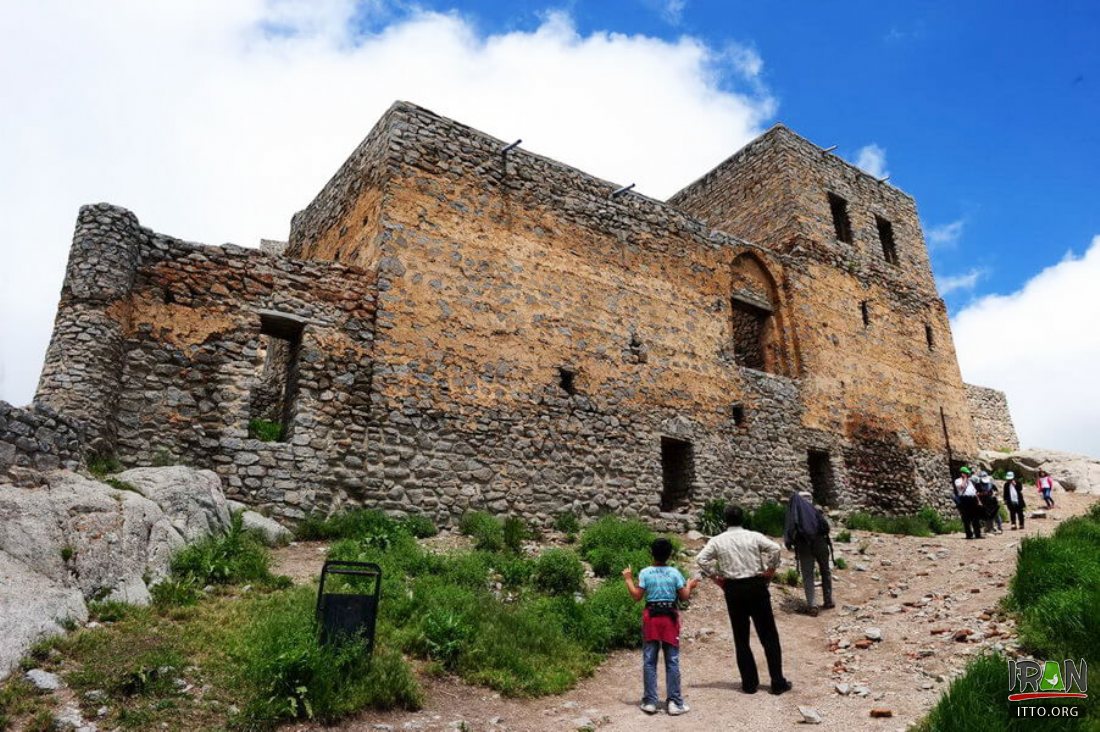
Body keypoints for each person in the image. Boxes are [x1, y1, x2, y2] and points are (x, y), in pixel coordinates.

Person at [696, 503, 792, 696]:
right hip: (756, 585)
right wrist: (770, 570)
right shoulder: (753, 536)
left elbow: (701, 559)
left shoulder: (717, 540)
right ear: (743, 518)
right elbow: (775, 548)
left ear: (725, 520)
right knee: (769, 635)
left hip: (733, 588)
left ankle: (749, 683)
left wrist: (716, 577)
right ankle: (777, 681)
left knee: (741, 637)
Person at [622, 538, 700, 716]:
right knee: (672, 660)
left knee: (649, 660)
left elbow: (636, 596)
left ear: (652, 553)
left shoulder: (645, 573)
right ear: (669, 555)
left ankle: (650, 701)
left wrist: (628, 579)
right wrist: (690, 585)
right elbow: (684, 596)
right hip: (669, 618)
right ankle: (674, 702)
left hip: (651, 618)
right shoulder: (674, 573)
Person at [783, 491, 833, 616]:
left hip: (803, 545)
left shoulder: (795, 510)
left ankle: (812, 605)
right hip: (820, 542)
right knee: (825, 570)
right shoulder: (816, 511)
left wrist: (789, 542)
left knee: (808, 575)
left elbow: (790, 527)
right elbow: (826, 527)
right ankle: (828, 600)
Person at [958, 473, 983, 540]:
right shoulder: (958, 481)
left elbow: (974, 492)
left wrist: (978, 500)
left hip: (973, 499)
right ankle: (969, 535)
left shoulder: (970, 482)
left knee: (976, 517)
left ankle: (977, 534)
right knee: (966, 518)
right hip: (965, 499)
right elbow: (962, 487)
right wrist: (965, 479)